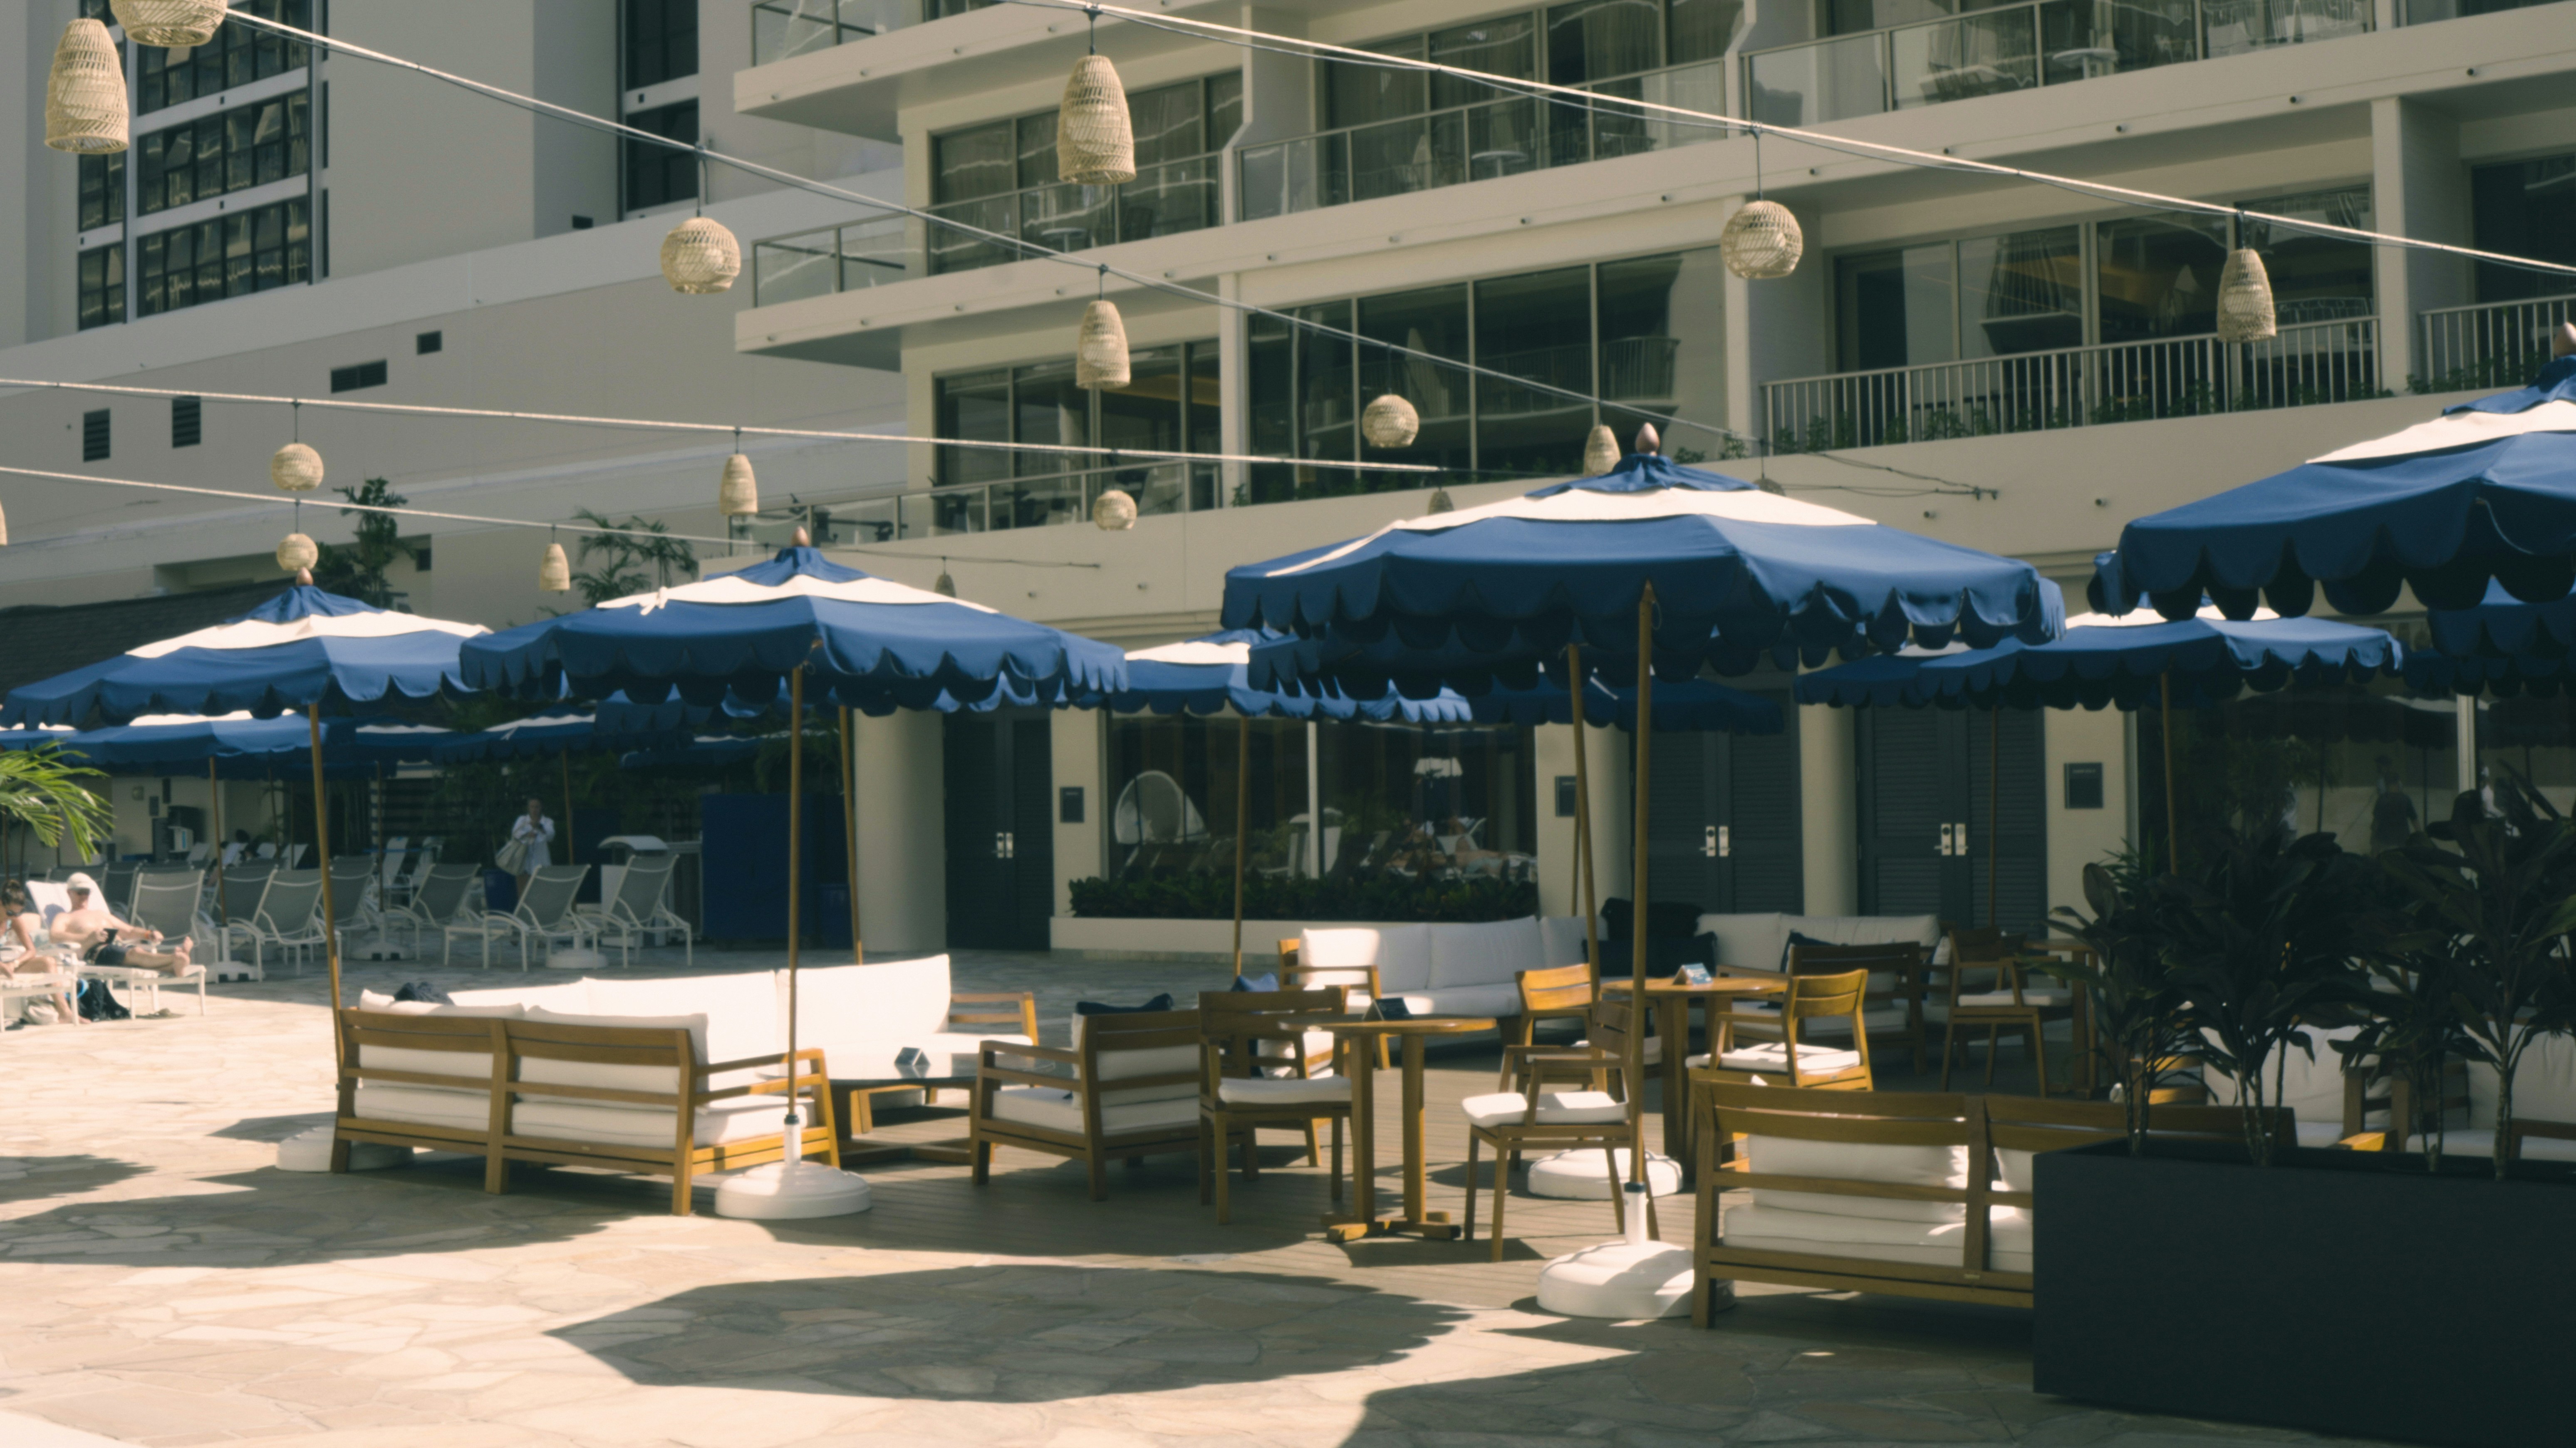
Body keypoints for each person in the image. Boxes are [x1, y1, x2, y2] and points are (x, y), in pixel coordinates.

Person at [49, 872, 196, 977]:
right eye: (80, 892)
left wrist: (148, 934)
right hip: (98, 953)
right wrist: (88, 936)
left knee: (137, 953)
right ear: (69, 893)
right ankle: (176, 957)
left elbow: (130, 931)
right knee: (137, 954)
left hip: (122, 948)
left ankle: (176, 966)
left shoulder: (101, 914)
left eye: (87, 892)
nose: (84, 896)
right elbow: (54, 936)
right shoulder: (64, 917)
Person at [2, 880, 80, 1026]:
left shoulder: (14, 920)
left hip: (6, 964)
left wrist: (15, 963)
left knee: (48, 962)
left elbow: (31, 950)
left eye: (19, 913)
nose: (13, 917)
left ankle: (66, 1013)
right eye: (10, 913)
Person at [2369, 756, 2419, 854]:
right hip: (2402, 837)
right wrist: (2420, 836)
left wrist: (2373, 837)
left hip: (2384, 837)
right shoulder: (2405, 799)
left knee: (2374, 856)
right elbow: (2415, 820)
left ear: (2386, 784)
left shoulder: (2382, 800)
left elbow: (2376, 822)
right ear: (2398, 783)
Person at [509, 798, 555, 898]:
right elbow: (515, 834)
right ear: (529, 808)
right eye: (532, 807)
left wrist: (540, 827)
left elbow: (551, 836)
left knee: (542, 892)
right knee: (524, 893)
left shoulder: (547, 822)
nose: (535, 810)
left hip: (542, 863)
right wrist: (527, 834)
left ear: (541, 808)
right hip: (523, 862)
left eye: (537, 807)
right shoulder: (522, 820)